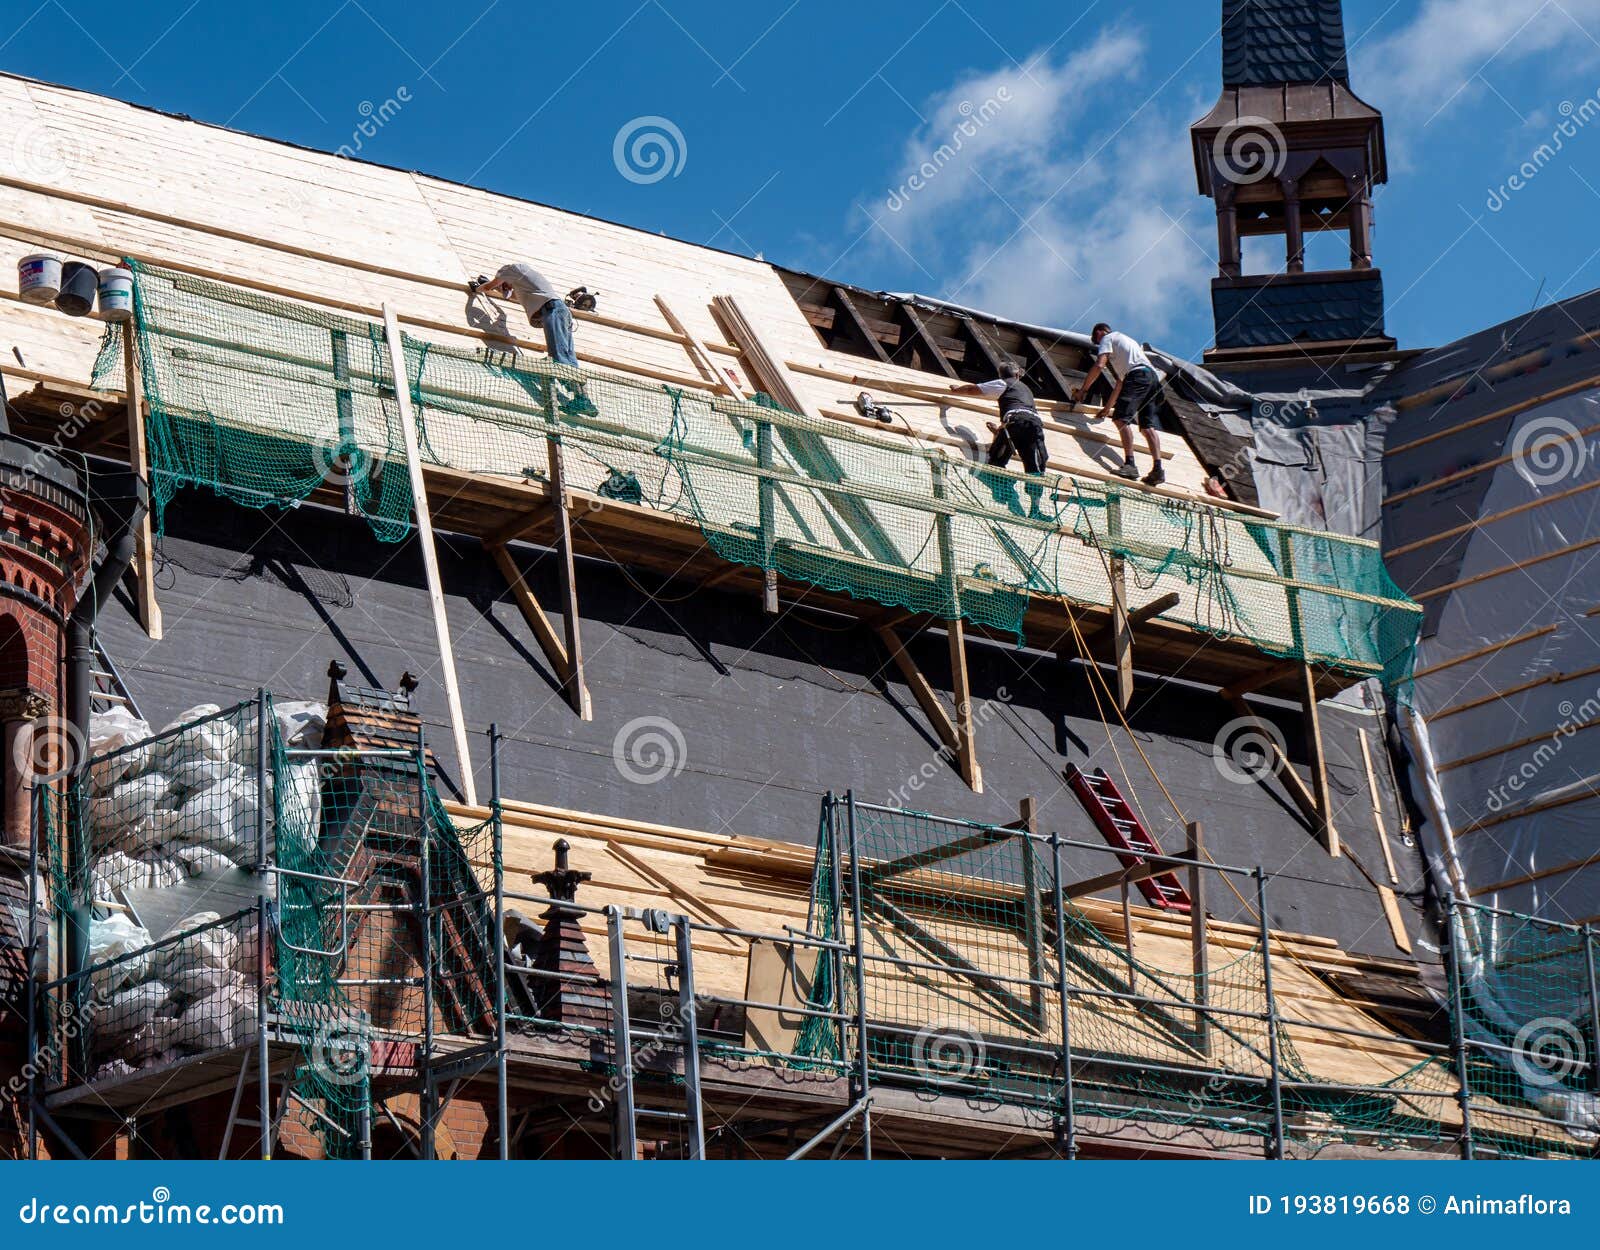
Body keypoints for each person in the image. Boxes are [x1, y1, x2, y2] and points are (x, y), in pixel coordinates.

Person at [951, 361, 1049, 518]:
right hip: (1033, 426)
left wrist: (957, 390)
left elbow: (973, 389)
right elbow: (1021, 416)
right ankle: (1035, 510)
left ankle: (1003, 487)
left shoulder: (1004, 383)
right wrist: (998, 432)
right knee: (1036, 469)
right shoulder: (1026, 390)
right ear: (1017, 374)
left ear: (1001, 375)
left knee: (996, 460)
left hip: (1014, 424)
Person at [1072, 322, 1164, 485]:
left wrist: (1083, 391)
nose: (1099, 345)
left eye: (1097, 341)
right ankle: (1158, 469)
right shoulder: (1127, 344)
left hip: (1137, 377)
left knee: (1121, 418)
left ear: (1099, 333)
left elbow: (1099, 365)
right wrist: (1107, 409)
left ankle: (1130, 465)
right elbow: (1120, 384)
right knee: (1147, 427)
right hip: (1152, 379)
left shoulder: (1108, 338)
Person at [470, 263, 577, 367]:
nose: (509, 290)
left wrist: (477, 288)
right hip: (559, 311)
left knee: (558, 355)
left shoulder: (513, 269)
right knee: (568, 355)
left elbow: (488, 287)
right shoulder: (527, 286)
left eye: (506, 287)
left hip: (552, 309)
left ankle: (568, 380)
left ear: (505, 279)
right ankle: (575, 383)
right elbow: (510, 301)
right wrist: (496, 287)